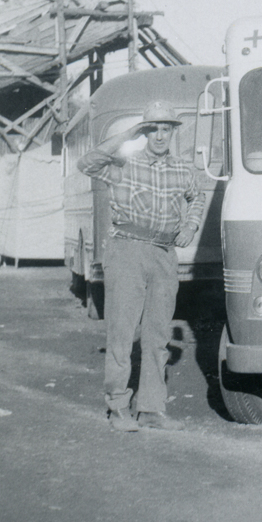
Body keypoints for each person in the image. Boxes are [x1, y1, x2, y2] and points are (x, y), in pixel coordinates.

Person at [78, 100, 204, 431]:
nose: (160, 135)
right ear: (145, 132)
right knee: (121, 333)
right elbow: (87, 164)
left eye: (166, 129)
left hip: (164, 254)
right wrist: (126, 134)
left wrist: (190, 226)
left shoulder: (181, 170)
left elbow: (197, 197)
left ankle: (151, 409)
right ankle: (118, 407)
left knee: (158, 335)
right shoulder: (123, 164)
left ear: (173, 132)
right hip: (127, 251)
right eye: (153, 129)